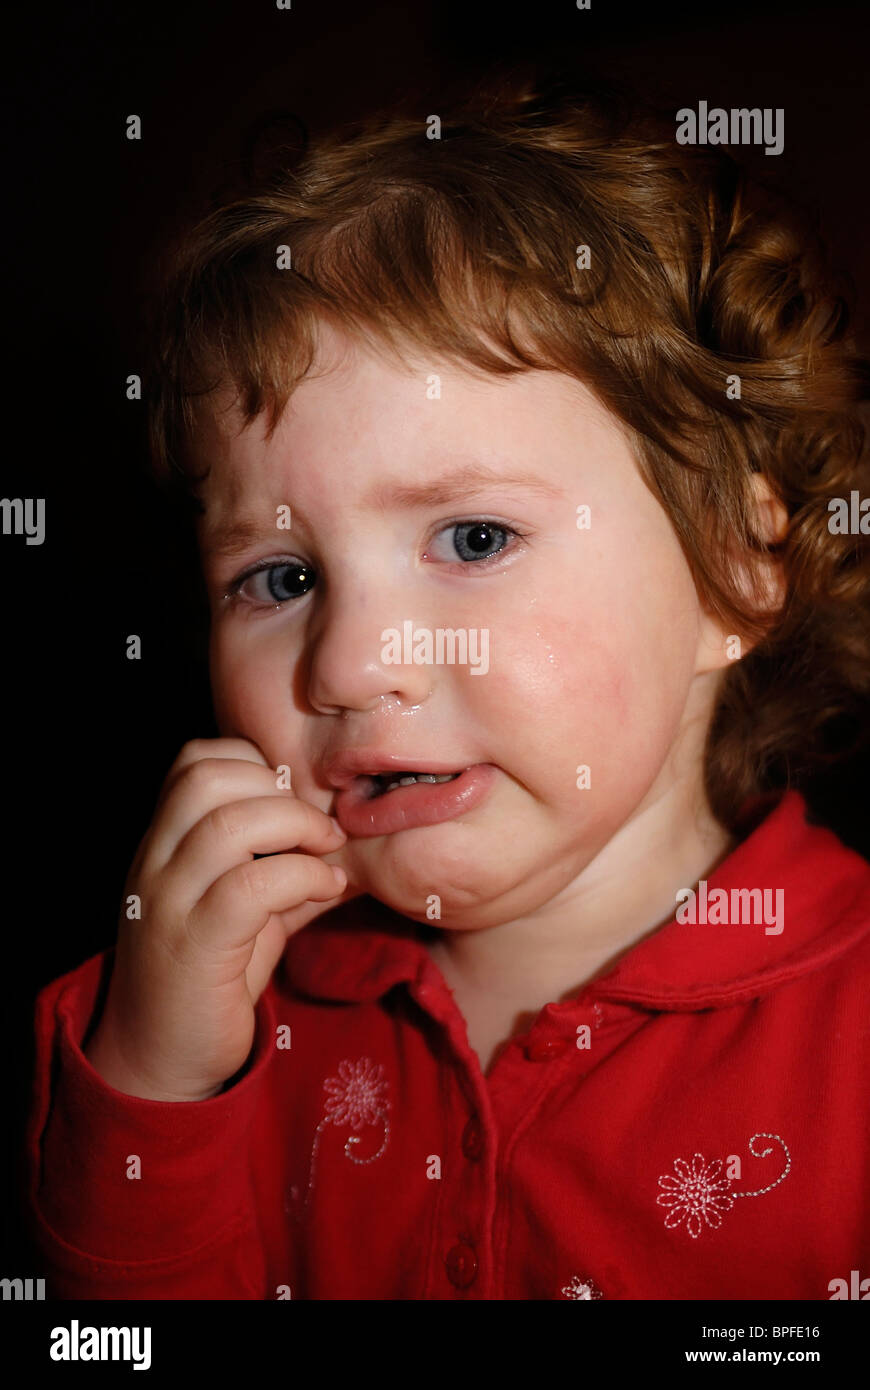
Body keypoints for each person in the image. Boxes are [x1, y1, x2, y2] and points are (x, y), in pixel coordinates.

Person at [26, 75, 870, 1300]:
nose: (351, 665)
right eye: (280, 578)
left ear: (735, 571)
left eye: (473, 539)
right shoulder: (208, 1016)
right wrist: (155, 1079)